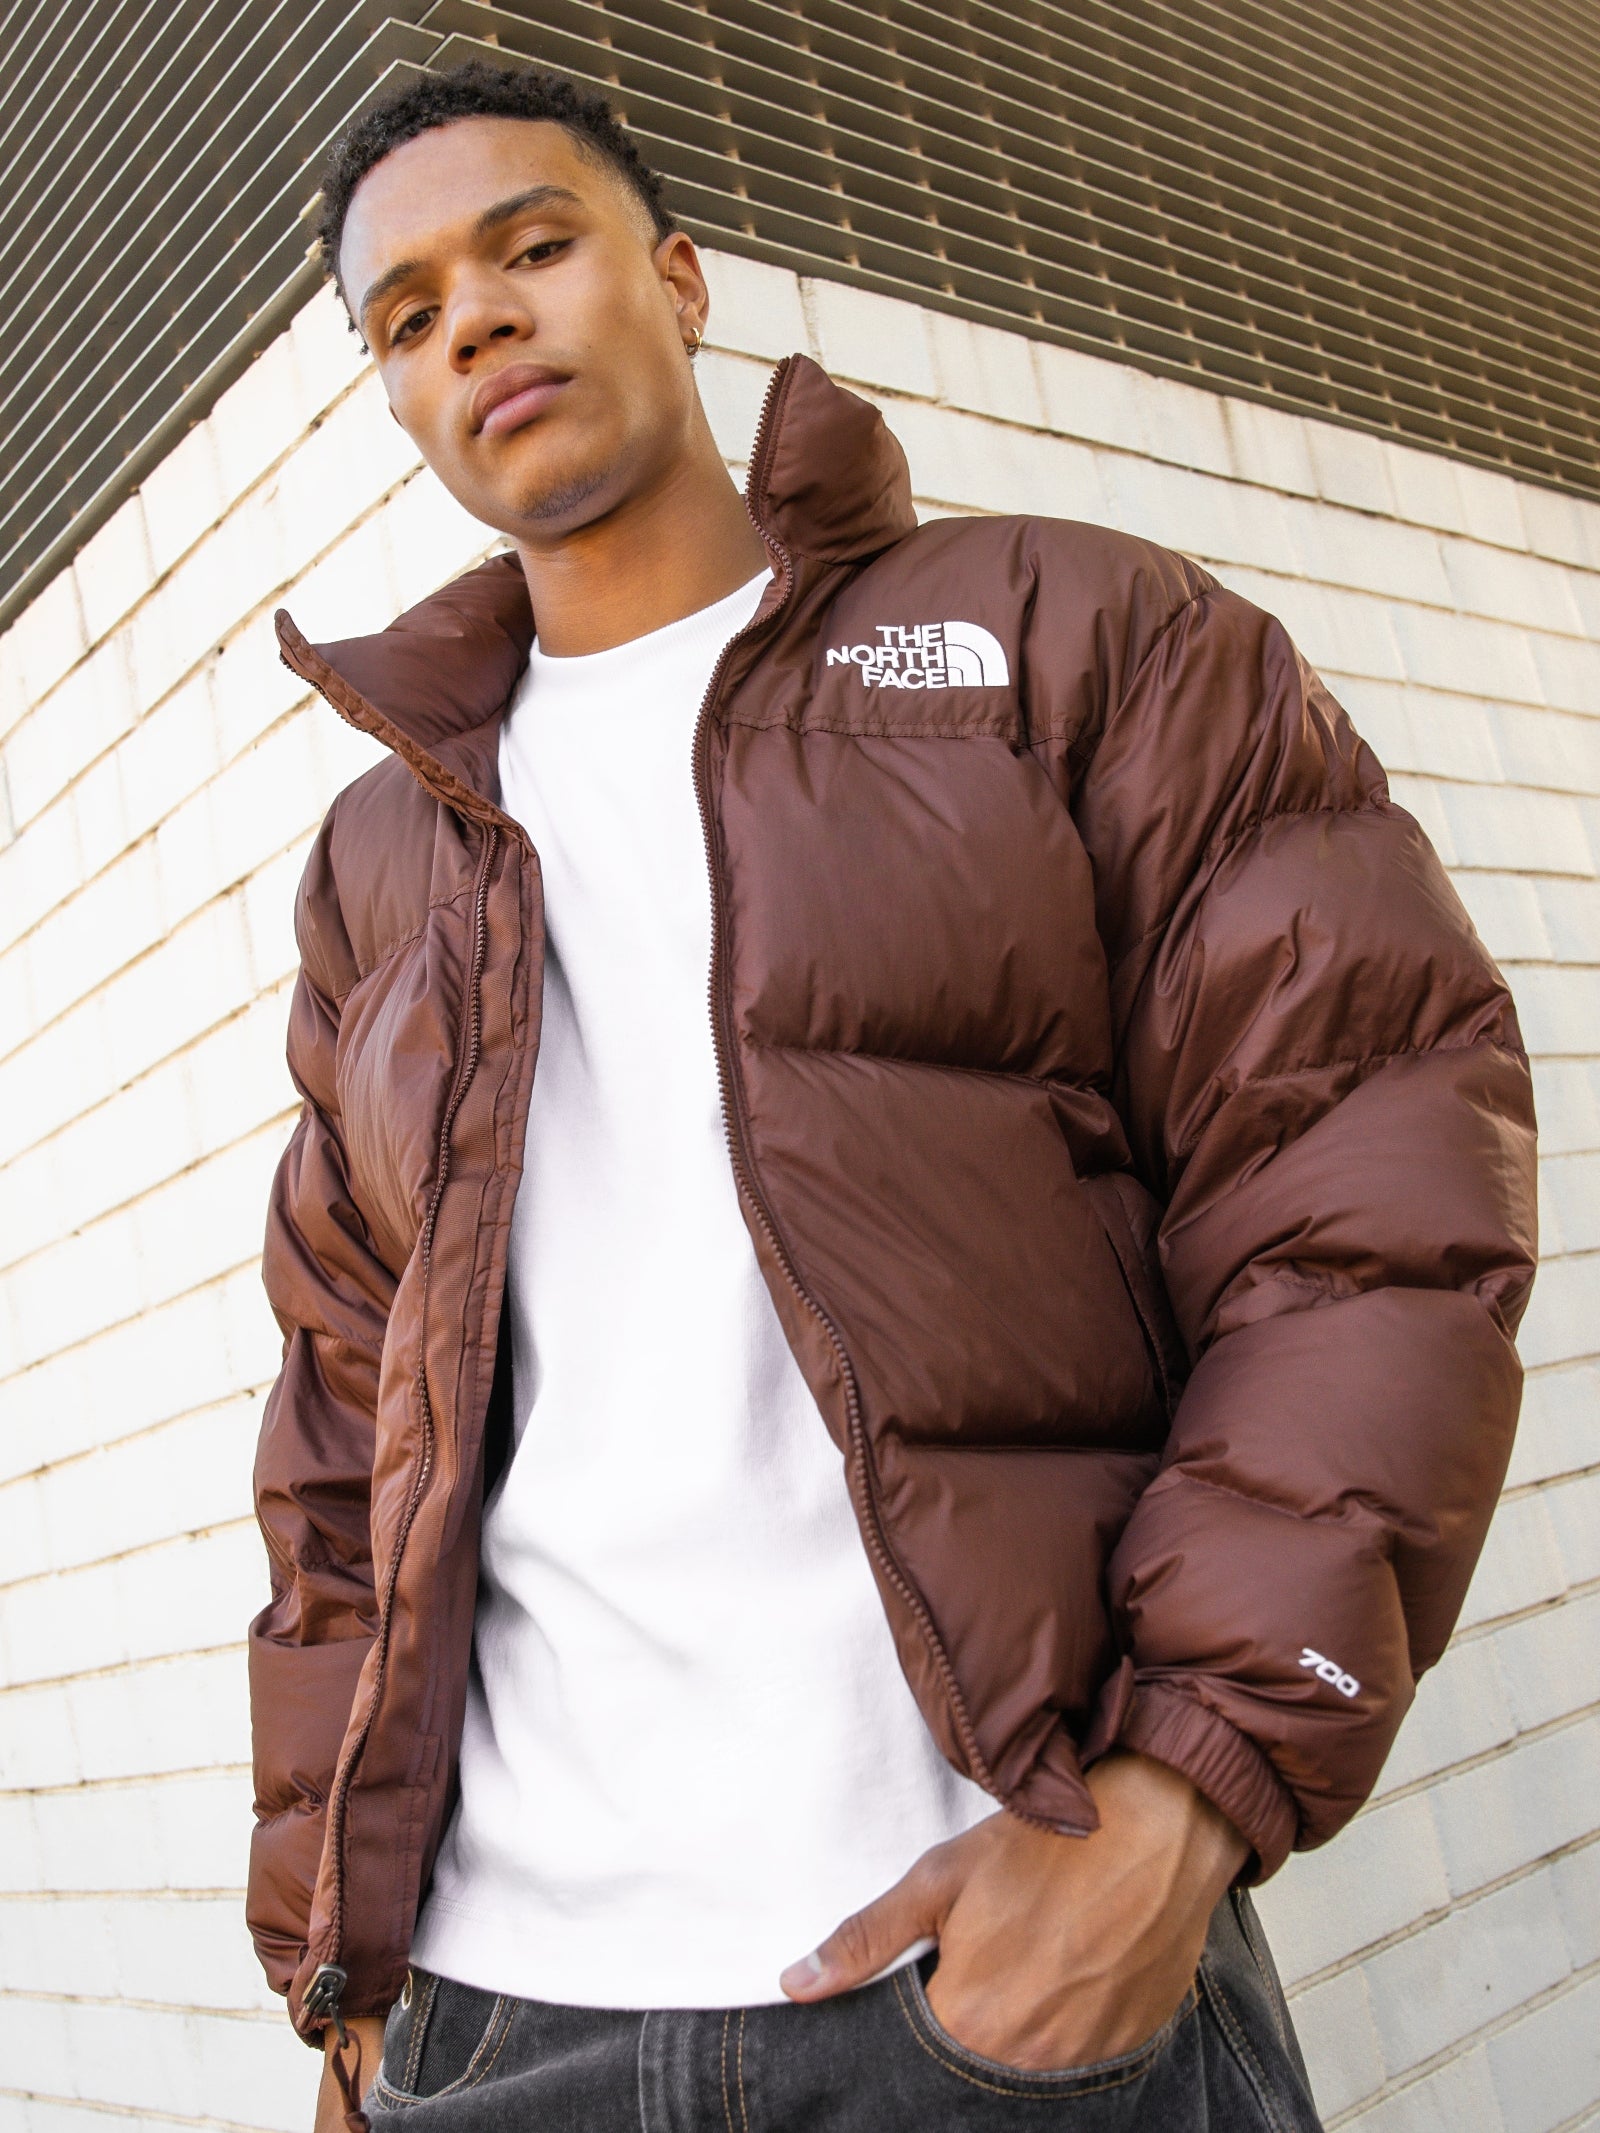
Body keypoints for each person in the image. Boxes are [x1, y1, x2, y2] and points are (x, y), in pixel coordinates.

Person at [245, 60, 1537, 2133]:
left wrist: (1183, 1793)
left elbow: (1369, 1194)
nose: (473, 320)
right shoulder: (383, 853)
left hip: (994, 1971)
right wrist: (337, 1956)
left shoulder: (1070, 634)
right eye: (406, 316)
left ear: (679, 279)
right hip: (498, 2011)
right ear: (396, 394)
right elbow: (341, 1414)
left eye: (531, 246)